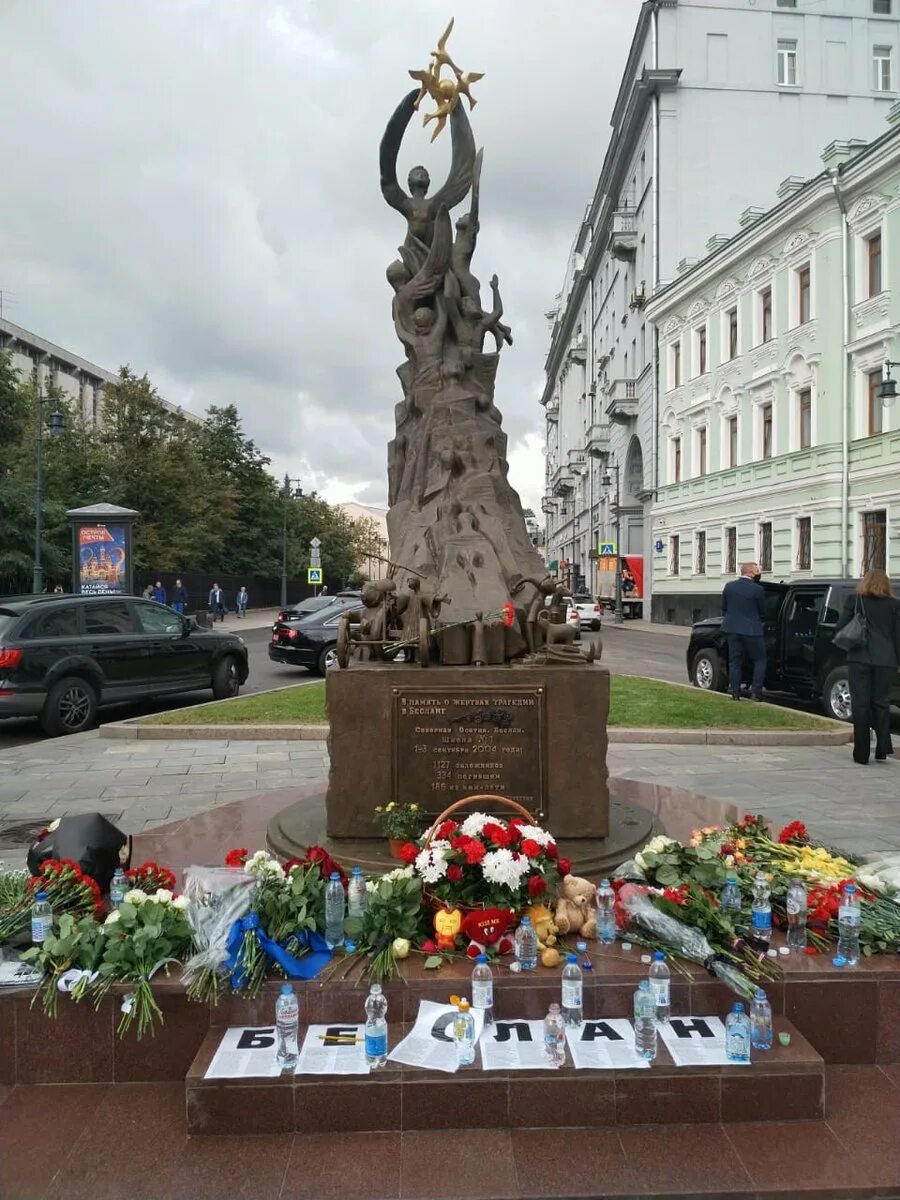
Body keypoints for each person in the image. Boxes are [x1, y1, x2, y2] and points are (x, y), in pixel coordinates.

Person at [835, 569, 900, 765]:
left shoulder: (854, 600)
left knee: (861, 704)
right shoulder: (895, 604)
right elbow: (898, 636)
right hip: (885, 660)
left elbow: (841, 628)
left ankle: (861, 754)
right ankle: (882, 749)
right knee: (881, 703)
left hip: (859, 658)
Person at [721, 561, 767, 702]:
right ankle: (756, 692)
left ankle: (735, 693)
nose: (758, 573)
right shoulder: (757, 590)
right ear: (751, 573)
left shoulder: (729, 587)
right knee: (760, 659)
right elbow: (763, 611)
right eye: (757, 570)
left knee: (735, 661)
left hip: (732, 628)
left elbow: (724, 607)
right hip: (752, 630)